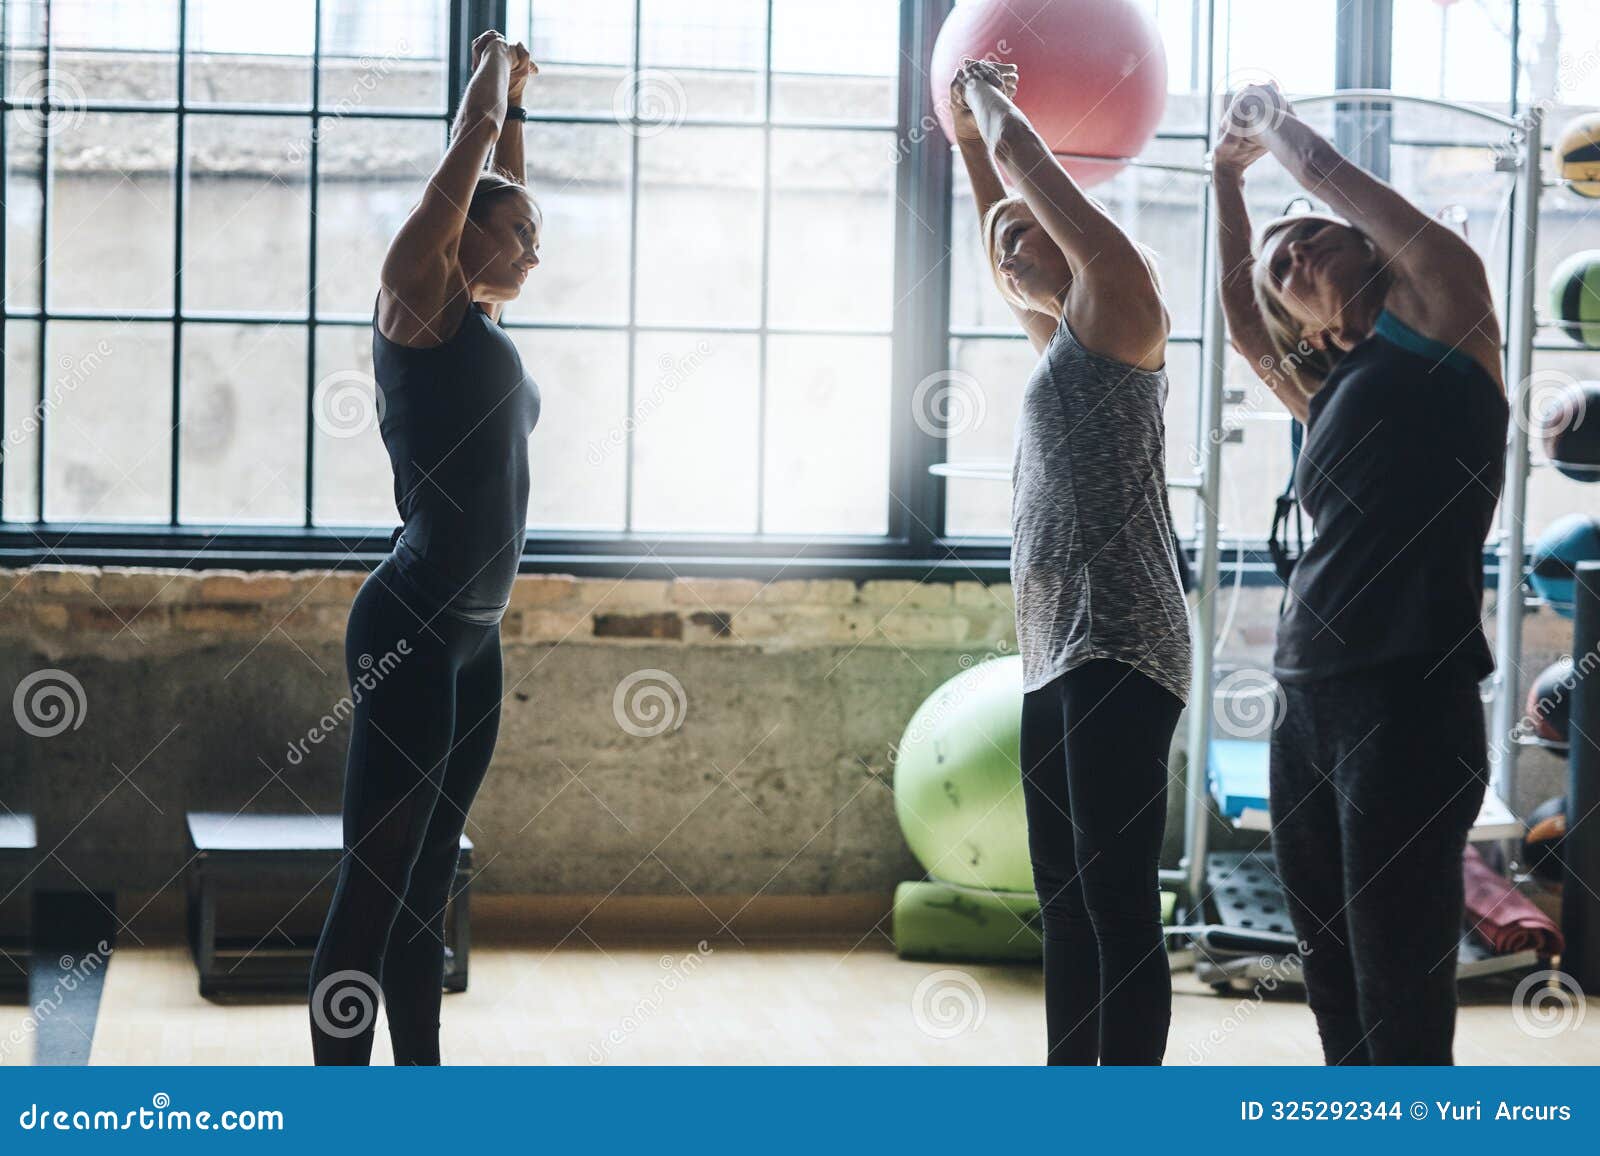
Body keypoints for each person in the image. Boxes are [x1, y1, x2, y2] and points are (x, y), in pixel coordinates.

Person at [1211, 82, 1508, 1064]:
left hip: (1408, 692)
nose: (1288, 251)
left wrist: (1271, 128)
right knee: (1330, 966)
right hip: (1307, 704)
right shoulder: (1326, 388)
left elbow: (1333, 179)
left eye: (1305, 234)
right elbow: (1243, 326)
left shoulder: (1444, 316)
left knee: (1397, 969)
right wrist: (1223, 183)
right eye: (1276, 263)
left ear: (1363, 244)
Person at [950, 57, 1193, 1065]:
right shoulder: (1058, 346)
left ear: (1075, 236)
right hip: (1054, 652)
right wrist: (970, 154)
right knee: (1062, 896)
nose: (1006, 252)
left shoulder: (1122, 311)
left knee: (1113, 892)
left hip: (1122, 646)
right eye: (998, 247)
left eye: (1024, 234)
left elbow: (1027, 169)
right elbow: (1002, 209)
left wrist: (986, 103)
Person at [308, 30, 541, 1066]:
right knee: (376, 882)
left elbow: (494, 182)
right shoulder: (415, 298)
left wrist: (517, 113)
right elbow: (471, 163)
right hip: (409, 627)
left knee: (430, 883)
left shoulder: (480, 320)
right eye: (521, 233)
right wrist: (493, 77)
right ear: (461, 239)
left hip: (475, 640)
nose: (537, 249)